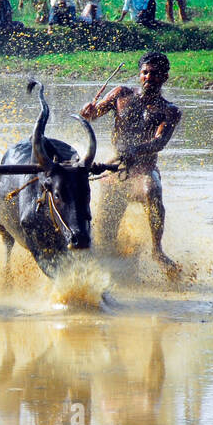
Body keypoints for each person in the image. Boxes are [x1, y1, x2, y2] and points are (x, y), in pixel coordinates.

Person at [78, 51, 183, 277]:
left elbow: (160, 141)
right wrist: (89, 111)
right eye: (145, 72)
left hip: (144, 169)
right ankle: (101, 269)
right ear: (139, 74)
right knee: (105, 235)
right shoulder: (120, 94)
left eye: (155, 74)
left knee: (152, 188)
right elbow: (95, 114)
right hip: (115, 168)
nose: (149, 77)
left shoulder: (170, 110)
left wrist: (136, 150)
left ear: (165, 77)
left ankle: (157, 250)